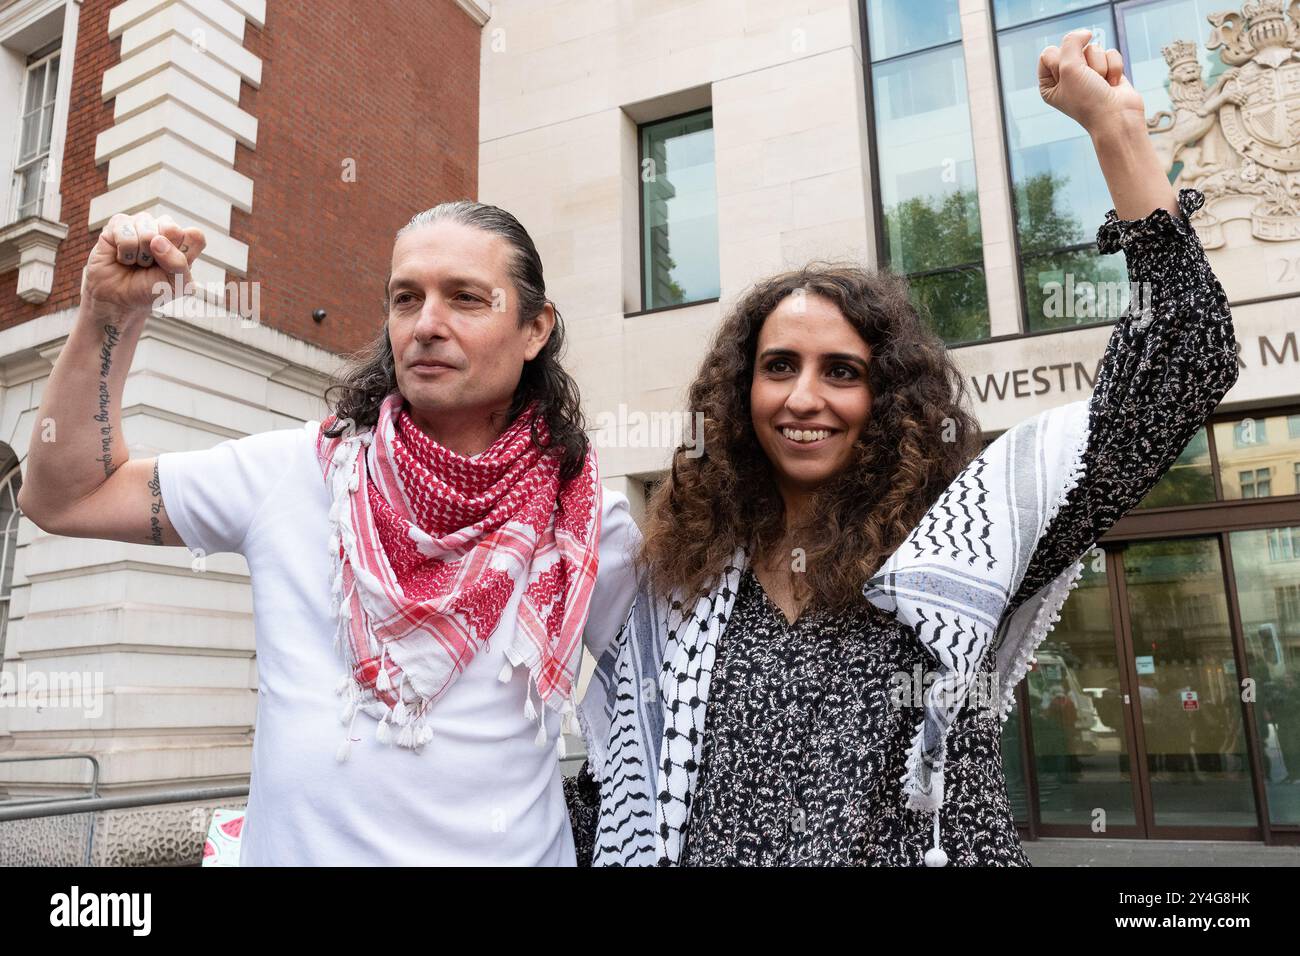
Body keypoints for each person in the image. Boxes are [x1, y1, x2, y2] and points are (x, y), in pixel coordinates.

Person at [568, 29, 1240, 865]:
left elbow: (1186, 361)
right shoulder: (680, 584)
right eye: (779, 367)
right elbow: (617, 790)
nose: (804, 397)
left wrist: (1117, 133)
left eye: (841, 370)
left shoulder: (962, 546)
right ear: (742, 395)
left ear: (886, 398)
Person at [20, 200, 640, 865]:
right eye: (406, 299)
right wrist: (108, 315)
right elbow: (65, 497)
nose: (427, 325)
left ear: (534, 329)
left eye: (465, 298)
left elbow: (665, 705)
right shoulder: (293, 472)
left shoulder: (585, 522)